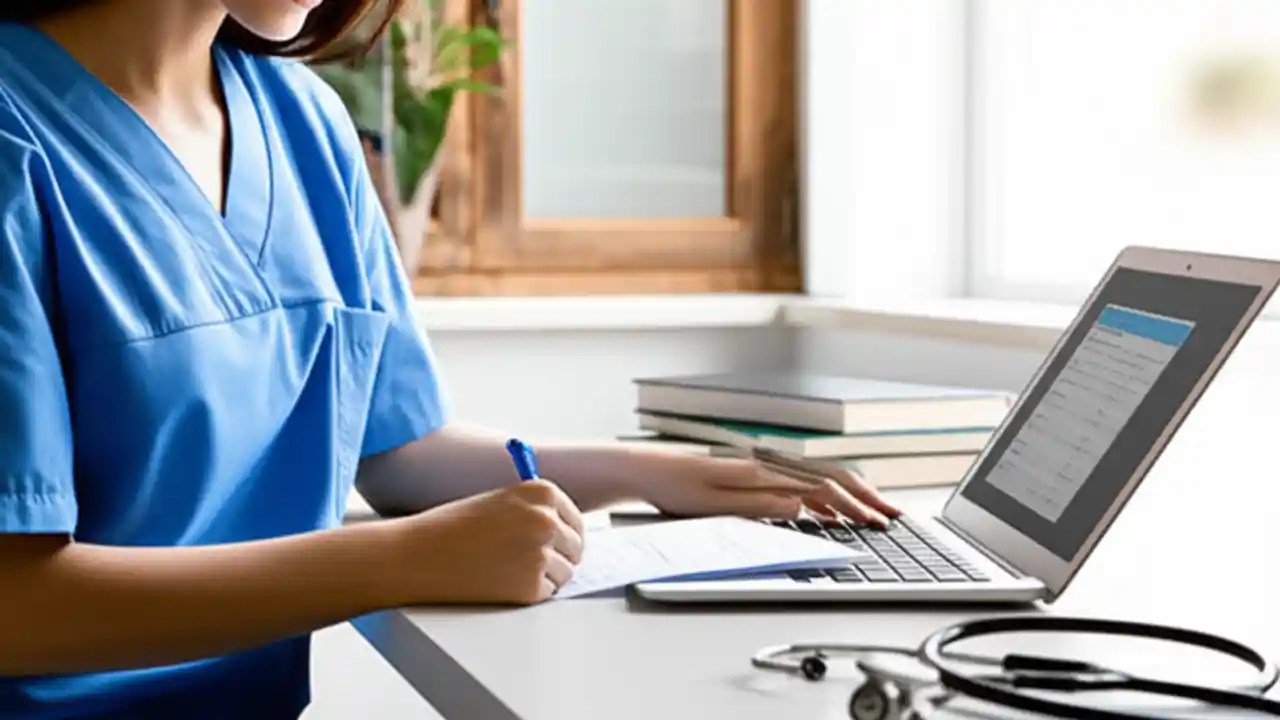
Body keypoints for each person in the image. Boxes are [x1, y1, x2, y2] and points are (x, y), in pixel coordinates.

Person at [0, 1, 901, 717]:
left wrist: (651, 473)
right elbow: (19, 609)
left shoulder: (306, 123)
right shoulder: (16, 139)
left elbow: (397, 452)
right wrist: (397, 562)